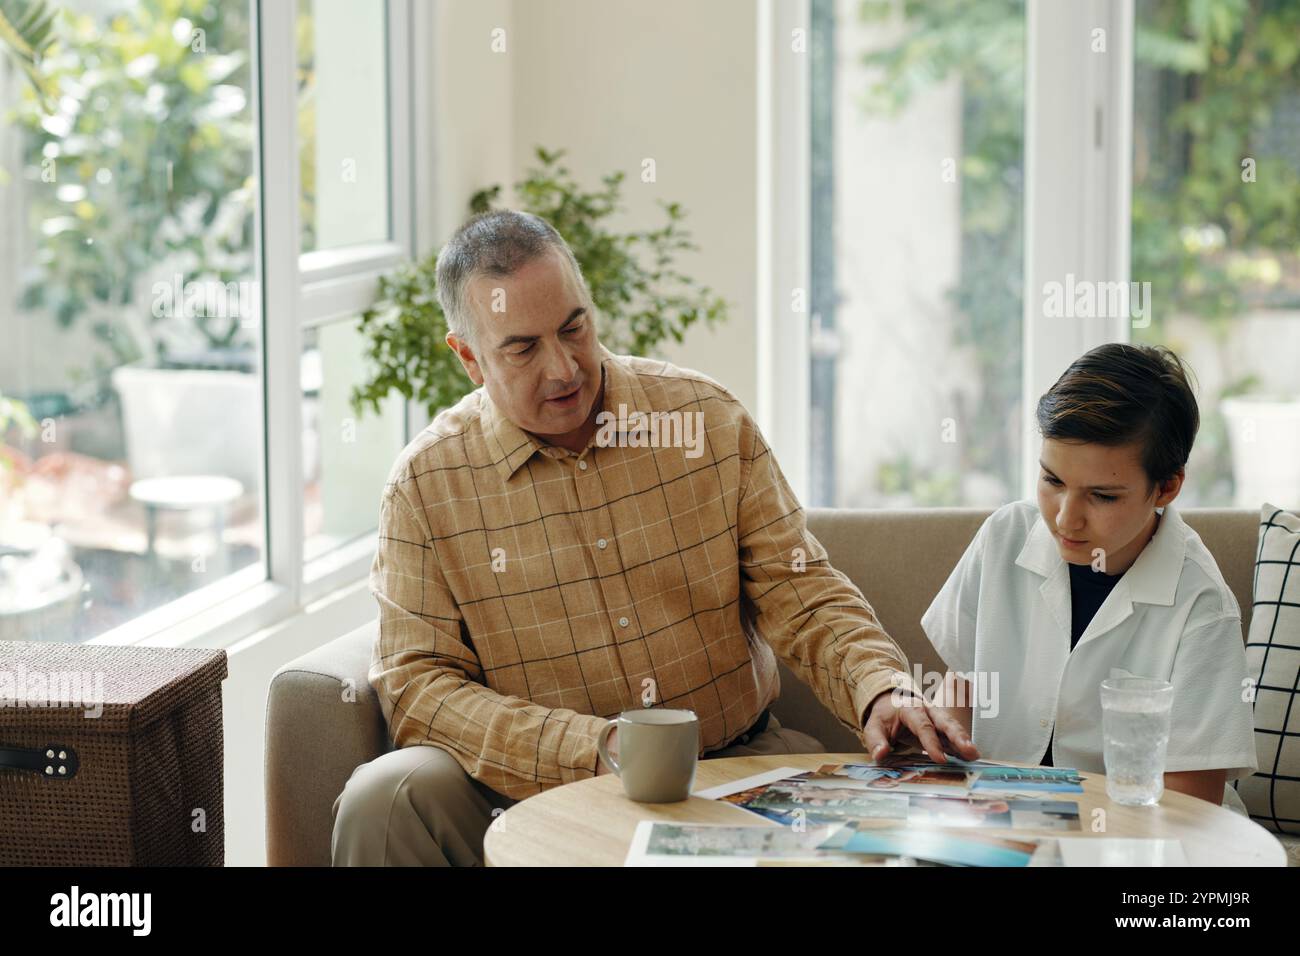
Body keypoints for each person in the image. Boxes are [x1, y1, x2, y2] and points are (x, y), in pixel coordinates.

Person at [331, 209, 976, 866]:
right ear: (468, 357)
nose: (563, 369)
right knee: (385, 798)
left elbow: (800, 586)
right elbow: (420, 686)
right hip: (526, 792)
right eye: (522, 348)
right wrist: (593, 749)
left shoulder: (704, 419)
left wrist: (879, 687)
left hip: (730, 771)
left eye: (573, 327)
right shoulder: (425, 483)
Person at [921, 343, 1257, 814]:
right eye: (1052, 481)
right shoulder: (1005, 536)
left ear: (1167, 487)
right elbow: (962, 684)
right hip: (1003, 826)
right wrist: (942, 763)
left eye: (1101, 495)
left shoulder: (1201, 603)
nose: (1066, 519)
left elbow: (1190, 809)